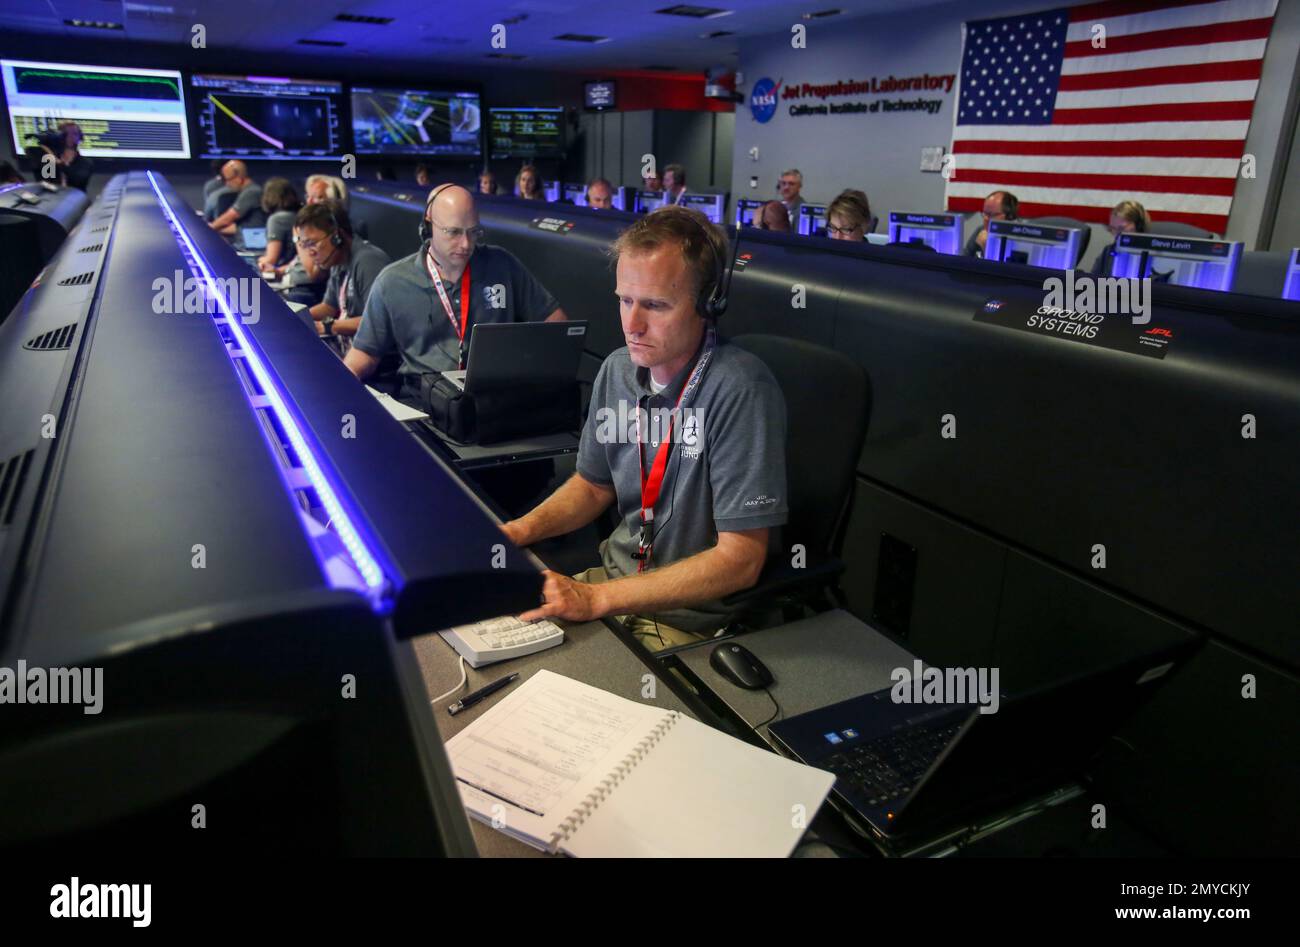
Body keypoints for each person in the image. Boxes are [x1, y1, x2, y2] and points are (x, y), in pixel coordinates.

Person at [499, 205, 788, 650]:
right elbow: (593, 487)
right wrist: (518, 531)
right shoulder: (617, 371)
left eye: (655, 305)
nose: (632, 325)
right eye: (625, 300)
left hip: (687, 622)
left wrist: (596, 599)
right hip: (612, 591)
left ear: (709, 302)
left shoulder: (741, 390)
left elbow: (741, 560)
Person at [345, 184, 566, 383]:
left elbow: (557, 324)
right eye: (454, 232)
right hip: (427, 403)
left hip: (495, 398)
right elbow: (365, 353)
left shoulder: (502, 265)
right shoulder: (392, 282)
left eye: (473, 232)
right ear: (428, 227)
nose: (466, 244)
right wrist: (342, 384)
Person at [297, 201, 391, 346]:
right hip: (348, 346)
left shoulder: (368, 261)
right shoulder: (337, 261)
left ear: (337, 237)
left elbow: (377, 322)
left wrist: (329, 326)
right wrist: (295, 317)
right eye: (305, 245)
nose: (310, 252)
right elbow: (329, 307)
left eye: (313, 243)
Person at [1092, 200, 1151, 277]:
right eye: (1113, 228)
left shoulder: (1151, 254)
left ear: (1139, 226)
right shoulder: (1109, 251)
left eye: (1121, 228)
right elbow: (1093, 281)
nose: (1116, 234)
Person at [208, 160, 265, 237]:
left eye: (228, 179)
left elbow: (229, 217)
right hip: (246, 240)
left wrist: (209, 228)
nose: (227, 184)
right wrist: (213, 228)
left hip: (253, 244)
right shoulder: (246, 191)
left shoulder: (252, 192)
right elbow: (238, 227)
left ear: (239, 178)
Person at [30, 122, 92, 190]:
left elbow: (77, 180)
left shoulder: (86, 163)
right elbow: (45, 183)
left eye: (74, 134)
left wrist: (60, 163)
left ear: (80, 137)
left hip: (75, 198)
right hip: (54, 198)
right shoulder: (49, 160)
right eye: (67, 133)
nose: (71, 137)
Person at [257, 178, 301, 271]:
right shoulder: (299, 215)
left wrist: (256, 261)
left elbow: (271, 259)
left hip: (284, 273)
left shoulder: (277, 219)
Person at [963, 190, 1019, 257]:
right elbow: (963, 261)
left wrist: (987, 249)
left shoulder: (1018, 240)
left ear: (1009, 217)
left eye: (991, 214)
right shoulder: (981, 230)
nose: (986, 218)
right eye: (985, 213)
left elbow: (1005, 267)